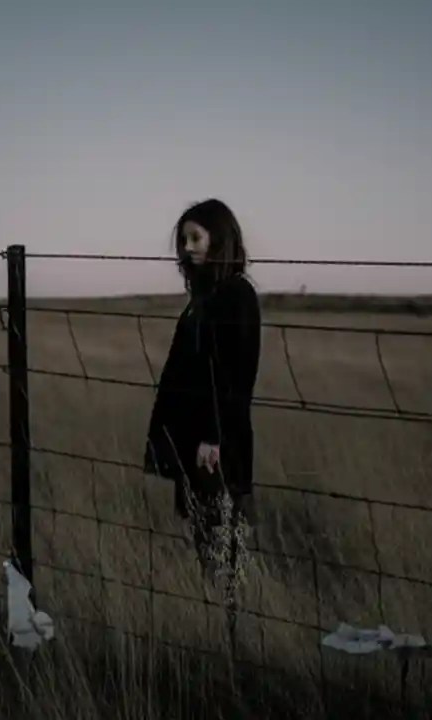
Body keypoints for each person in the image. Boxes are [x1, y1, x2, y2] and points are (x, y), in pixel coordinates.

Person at [143, 198, 262, 577]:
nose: (187, 247)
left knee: (224, 541)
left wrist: (215, 436)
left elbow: (236, 376)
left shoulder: (236, 295)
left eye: (196, 237)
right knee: (205, 536)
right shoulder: (203, 299)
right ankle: (219, 607)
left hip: (215, 445)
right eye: (183, 239)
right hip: (194, 438)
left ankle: (232, 616)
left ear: (220, 238)